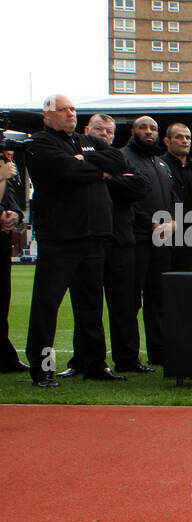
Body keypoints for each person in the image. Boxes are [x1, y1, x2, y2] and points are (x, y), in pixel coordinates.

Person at [24, 94, 128, 386]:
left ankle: (94, 363)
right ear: (47, 115)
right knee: (47, 306)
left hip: (94, 235)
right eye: (63, 109)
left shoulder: (84, 142)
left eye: (72, 109)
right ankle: (42, 368)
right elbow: (64, 170)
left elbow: (117, 160)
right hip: (60, 237)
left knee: (91, 306)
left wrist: (85, 159)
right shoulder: (40, 143)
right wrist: (94, 168)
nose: (70, 113)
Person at [57, 113, 148, 379]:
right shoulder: (73, 155)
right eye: (99, 129)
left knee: (125, 305)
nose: (105, 135)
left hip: (120, 240)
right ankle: (82, 361)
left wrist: (102, 177)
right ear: (87, 130)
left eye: (109, 131)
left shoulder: (122, 158)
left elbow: (139, 186)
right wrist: (104, 175)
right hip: (87, 240)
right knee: (87, 305)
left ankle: (128, 359)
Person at [122, 115, 177, 371]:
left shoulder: (161, 163)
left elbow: (173, 198)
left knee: (158, 299)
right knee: (130, 300)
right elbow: (124, 200)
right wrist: (150, 223)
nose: (148, 131)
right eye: (143, 127)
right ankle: (128, 358)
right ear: (133, 131)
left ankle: (160, 353)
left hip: (162, 240)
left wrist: (174, 221)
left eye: (153, 128)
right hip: (136, 240)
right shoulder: (124, 158)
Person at [160, 122, 192, 270]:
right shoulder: (157, 167)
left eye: (188, 137)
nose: (185, 140)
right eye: (179, 137)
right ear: (167, 141)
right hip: (168, 239)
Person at [1, 156, 26, 371]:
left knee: (2, 300)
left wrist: (14, 215)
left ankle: (4, 357)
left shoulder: (5, 162)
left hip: (2, 239)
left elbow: (11, 198)